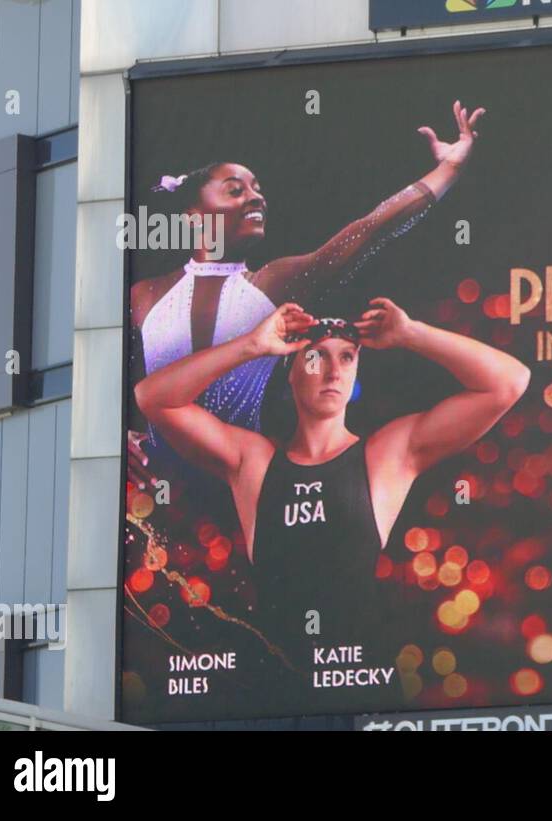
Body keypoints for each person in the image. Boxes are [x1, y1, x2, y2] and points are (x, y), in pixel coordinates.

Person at [134, 298, 530, 667]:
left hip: (361, 688)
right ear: (290, 372)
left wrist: (413, 333)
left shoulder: (385, 456)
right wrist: (251, 345)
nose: (334, 371)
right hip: (271, 695)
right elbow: (153, 398)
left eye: (347, 357)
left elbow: (508, 382)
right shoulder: (254, 462)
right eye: (316, 357)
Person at [127, 101, 487, 487]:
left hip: (241, 490)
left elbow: (369, 230)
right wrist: (118, 438)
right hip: (158, 495)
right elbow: (103, 382)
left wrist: (448, 170)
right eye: (235, 190)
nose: (255, 197)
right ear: (193, 216)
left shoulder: (275, 284)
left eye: (257, 189)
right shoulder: (145, 296)